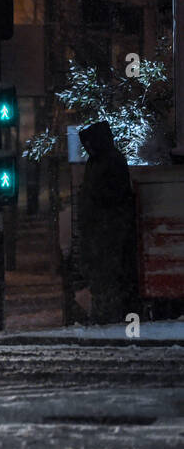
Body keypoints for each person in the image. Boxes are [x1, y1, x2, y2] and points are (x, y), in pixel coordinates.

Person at [76, 122, 138, 324]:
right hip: (101, 228)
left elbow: (113, 195)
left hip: (107, 229)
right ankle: (106, 312)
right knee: (102, 274)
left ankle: (107, 313)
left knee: (107, 274)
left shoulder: (107, 161)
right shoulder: (101, 160)